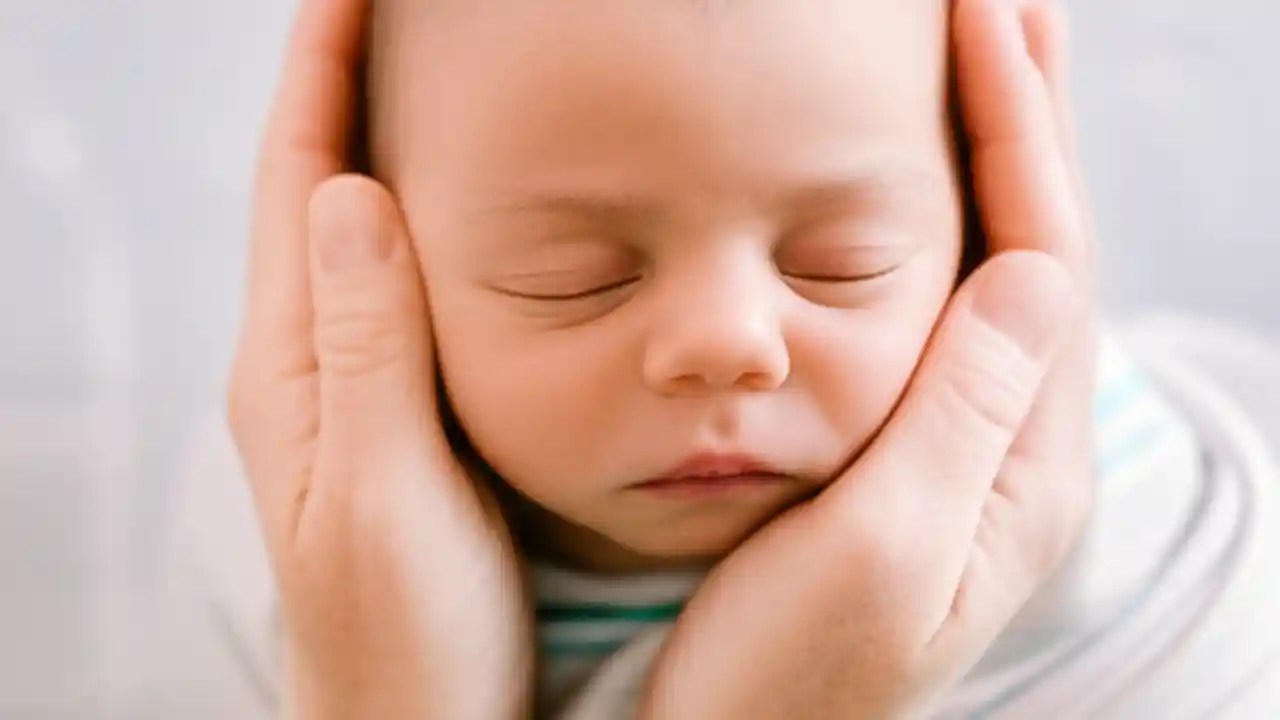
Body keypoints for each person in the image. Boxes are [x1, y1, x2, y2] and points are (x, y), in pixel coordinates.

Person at [163, 0, 1280, 717]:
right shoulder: (305, 537)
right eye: (570, 275)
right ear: (380, 259)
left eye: (842, 262)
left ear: (982, 220)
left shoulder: (1137, 523)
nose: (727, 343)